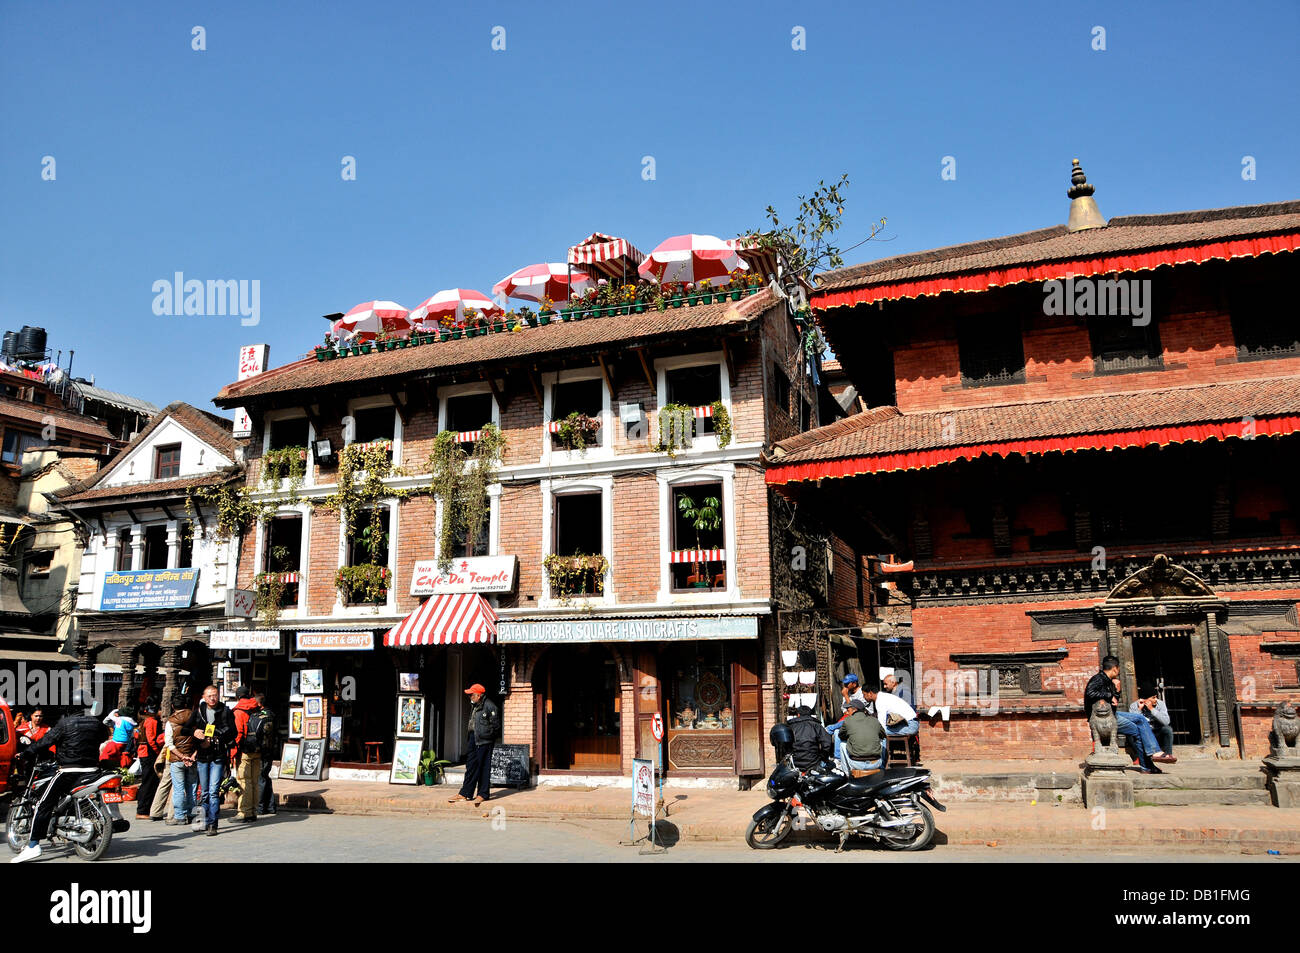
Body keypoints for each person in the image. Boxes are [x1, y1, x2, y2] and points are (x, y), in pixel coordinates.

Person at [10, 691, 109, 864]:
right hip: (93, 770)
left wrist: (26, 753)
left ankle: (33, 846)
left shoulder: (65, 723)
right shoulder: (97, 723)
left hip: (69, 771)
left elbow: (45, 742)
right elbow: (102, 738)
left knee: (43, 804)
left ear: (71, 706)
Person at [1084, 656, 1176, 773]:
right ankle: (1153, 755)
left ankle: (1148, 765)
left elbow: (1114, 702)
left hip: (1112, 714)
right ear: (1115, 669)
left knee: (1140, 722)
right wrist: (1109, 694)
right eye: (1118, 669)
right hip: (1103, 719)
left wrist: (1116, 691)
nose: (1118, 672)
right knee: (1139, 724)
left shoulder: (1107, 681)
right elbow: (1090, 692)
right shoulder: (1099, 679)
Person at [185, 685, 236, 835]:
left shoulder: (225, 711)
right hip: (202, 755)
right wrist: (195, 732)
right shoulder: (198, 712)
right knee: (204, 792)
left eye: (214, 695)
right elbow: (184, 729)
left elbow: (233, 731)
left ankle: (213, 824)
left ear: (218, 695)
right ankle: (201, 821)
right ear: (204, 697)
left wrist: (216, 735)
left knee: (213, 791)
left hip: (218, 756)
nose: (212, 698)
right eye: (209, 696)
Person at [448, 683, 498, 807]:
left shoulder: (490, 706)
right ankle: (465, 793)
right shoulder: (475, 705)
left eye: (471, 694)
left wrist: (487, 736)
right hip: (473, 739)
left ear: (479, 695)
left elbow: (496, 727)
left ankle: (483, 794)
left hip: (484, 741)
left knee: (483, 768)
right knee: (470, 767)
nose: (470, 697)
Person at [862, 682, 920, 764]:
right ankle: (881, 760)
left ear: (870, 693)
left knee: (879, 732)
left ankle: (881, 762)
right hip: (910, 723)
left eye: (864, 695)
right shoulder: (883, 696)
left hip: (910, 725)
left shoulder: (880, 701)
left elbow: (881, 726)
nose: (864, 697)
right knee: (880, 732)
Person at [231, 687, 265, 823]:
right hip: (257, 749)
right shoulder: (257, 708)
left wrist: (233, 753)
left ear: (238, 697)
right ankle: (253, 811)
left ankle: (243, 812)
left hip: (244, 750)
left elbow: (238, 734)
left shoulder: (239, 711)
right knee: (254, 781)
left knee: (244, 781)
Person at [166, 692, 199, 827]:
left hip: (177, 759)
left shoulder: (171, 722)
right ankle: (192, 814)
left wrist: (182, 756)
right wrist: (193, 755)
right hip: (193, 758)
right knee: (192, 787)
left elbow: (169, 744)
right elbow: (202, 737)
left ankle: (180, 816)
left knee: (179, 789)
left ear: (173, 706)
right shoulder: (196, 717)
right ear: (186, 705)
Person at [133, 700, 164, 821]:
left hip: (145, 753)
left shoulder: (145, 721)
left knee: (149, 781)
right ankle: (142, 810)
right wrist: (157, 752)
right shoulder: (151, 721)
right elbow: (151, 740)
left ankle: (145, 809)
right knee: (148, 782)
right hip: (148, 754)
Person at [1128, 682, 1175, 762]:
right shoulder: (1134, 706)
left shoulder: (1160, 704)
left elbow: (1166, 721)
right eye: (1153, 697)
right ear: (1145, 699)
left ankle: (1167, 754)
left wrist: (1152, 709)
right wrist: (1139, 710)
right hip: (1143, 734)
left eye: (1156, 697)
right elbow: (1131, 723)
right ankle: (1139, 756)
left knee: (1168, 729)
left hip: (1156, 732)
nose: (1155, 699)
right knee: (1130, 732)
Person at [838, 698, 885, 775]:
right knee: (882, 741)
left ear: (854, 710)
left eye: (848, 710)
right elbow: (883, 735)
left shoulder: (848, 720)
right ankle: (883, 768)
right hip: (876, 763)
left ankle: (846, 774)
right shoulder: (874, 720)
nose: (846, 712)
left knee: (842, 744)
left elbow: (841, 736)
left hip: (857, 764)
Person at [825, 674, 866, 759]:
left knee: (842, 723)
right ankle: (838, 758)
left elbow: (857, 709)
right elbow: (844, 707)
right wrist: (847, 711)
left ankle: (829, 729)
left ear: (854, 684)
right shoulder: (848, 692)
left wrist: (846, 696)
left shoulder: (862, 693)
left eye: (847, 684)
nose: (845, 686)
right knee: (837, 732)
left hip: (860, 719)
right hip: (848, 718)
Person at [787, 705, 833, 770]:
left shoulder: (790, 726)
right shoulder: (816, 725)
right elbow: (827, 743)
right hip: (814, 762)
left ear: (798, 715)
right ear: (810, 715)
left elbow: (784, 745)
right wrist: (822, 756)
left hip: (794, 762)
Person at [254, 692, 278, 816]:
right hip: (269, 750)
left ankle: (260, 807)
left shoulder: (265, 717)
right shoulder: (271, 714)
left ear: (259, 704)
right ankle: (270, 806)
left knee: (261, 778)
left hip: (264, 751)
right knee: (265, 777)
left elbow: (264, 736)